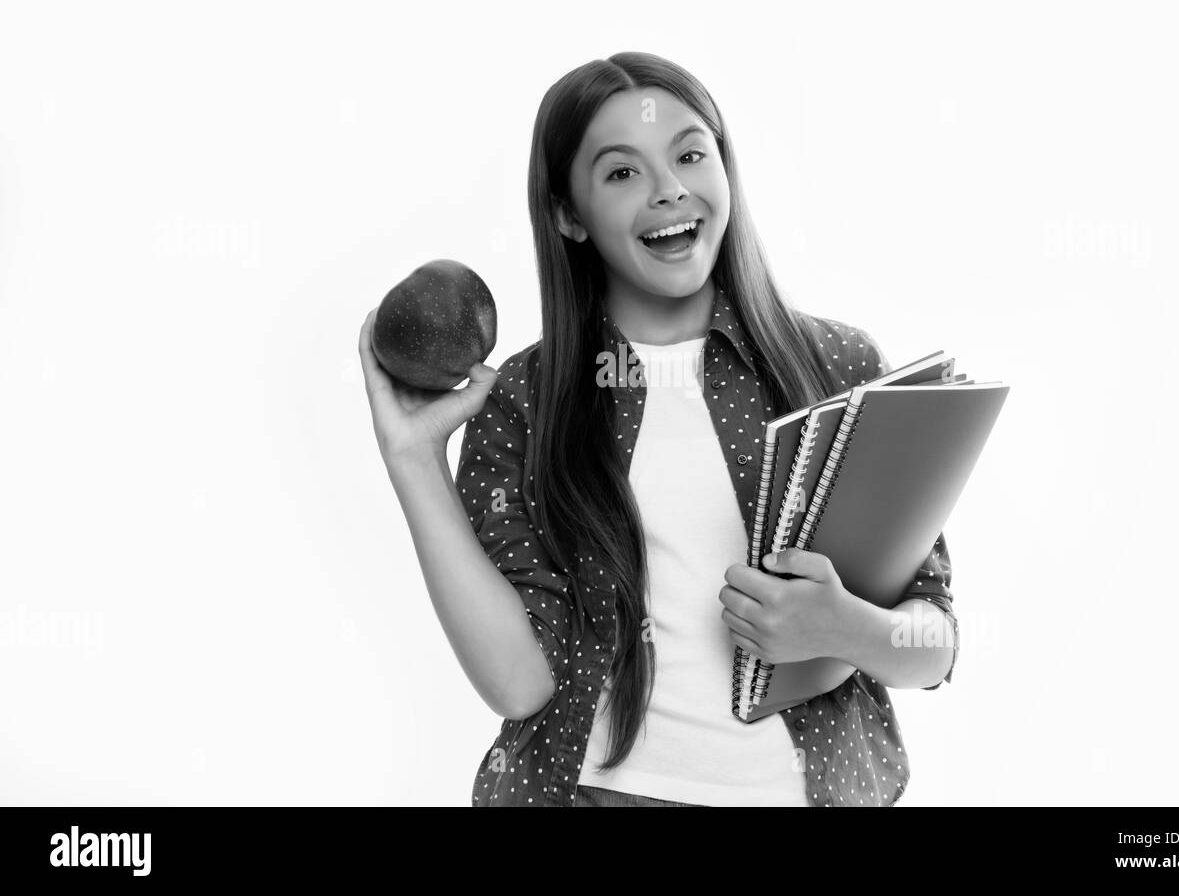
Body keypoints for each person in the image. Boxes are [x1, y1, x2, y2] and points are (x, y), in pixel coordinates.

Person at [358, 52, 958, 807]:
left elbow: (933, 641)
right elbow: (517, 683)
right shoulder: (524, 400)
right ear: (567, 214)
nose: (669, 188)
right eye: (621, 173)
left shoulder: (838, 365)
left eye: (689, 154)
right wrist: (412, 457)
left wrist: (844, 630)